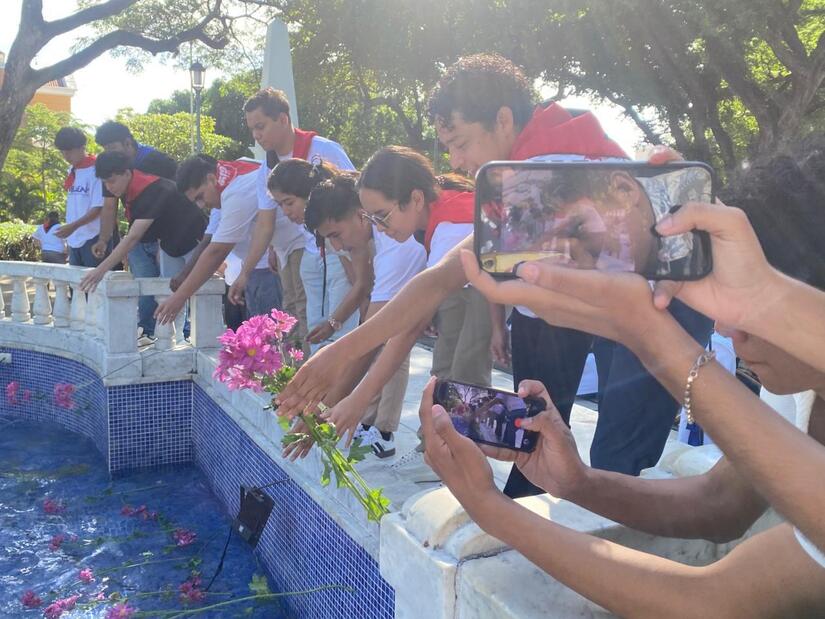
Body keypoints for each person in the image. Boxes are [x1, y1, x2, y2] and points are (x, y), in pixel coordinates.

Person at [276, 54, 711, 484]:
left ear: (503, 120)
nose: (457, 162)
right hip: (586, 309)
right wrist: (345, 369)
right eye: (449, 148)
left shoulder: (541, 174)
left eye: (462, 144)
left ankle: (586, 527)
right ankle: (527, 495)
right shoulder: (525, 169)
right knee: (532, 432)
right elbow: (440, 281)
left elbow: (432, 291)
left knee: (614, 459)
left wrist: (346, 364)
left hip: (659, 309)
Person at [455, 146, 825, 560]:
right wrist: (575, 481)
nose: (724, 327)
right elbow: (722, 502)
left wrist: (493, 512)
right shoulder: (798, 396)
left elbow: (724, 598)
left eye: (577, 229)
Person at [301, 167, 427, 457]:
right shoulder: (381, 239)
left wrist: (319, 414)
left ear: (360, 213)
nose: (337, 246)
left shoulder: (396, 245)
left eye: (336, 235)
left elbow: (365, 347)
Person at [228, 88, 355, 349]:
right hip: (310, 252)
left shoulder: (323, 149)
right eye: (252, 128)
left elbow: (356, 197)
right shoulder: (267, 165)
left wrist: (355, 252)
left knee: (343, 321)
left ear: (283, 119)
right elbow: (266, 223)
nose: (256, 135)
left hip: (341, 251)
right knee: (311, 320)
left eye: (261, 126)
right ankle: (313, 380)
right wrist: (248, 269)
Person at [80, 152, 206, 343]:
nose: (109, 187)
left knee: (203, 292)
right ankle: (177, 341)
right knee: (170, 291)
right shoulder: (132, 192)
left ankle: (202, 341)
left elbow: (133, 238)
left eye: (112, 181)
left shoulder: (152, 188)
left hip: (196, 242)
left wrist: (100, 271)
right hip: (169, 246)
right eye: (105, 183)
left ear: (127, 173)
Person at [154, 155, 283, 326]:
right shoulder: (225, 185)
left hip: (271, 269)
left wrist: (179, 298)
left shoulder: (236, 191)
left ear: (211, 179)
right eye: (196, 201)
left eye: (200, 196)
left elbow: (217, 251)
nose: (201, 205)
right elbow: (210, 240)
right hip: (258, 268)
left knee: (272, 338)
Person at [267, 160, 368, 353]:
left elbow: (359, 284)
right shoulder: (321, 235)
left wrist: (333, 323)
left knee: (340, 336)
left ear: (310, 194)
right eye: (280, 205)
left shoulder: (342, 234)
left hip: (335, 268)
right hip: (313, 257)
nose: (286, 212)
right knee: (314, 326)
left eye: (289, 202)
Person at [91, 121, 178, 342]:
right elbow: (110, 206)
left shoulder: (155, 161)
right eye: (104, 150)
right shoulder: (110, 167)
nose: (107, 154)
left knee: (170, 287)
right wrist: (103, 239)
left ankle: (175, 335)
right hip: (137, 237)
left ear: (128, 142)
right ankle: (146, 333)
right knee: (144, 288)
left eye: (111, 147)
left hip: (166, 237)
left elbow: (178, 199)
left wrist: (166, 242)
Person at [53, 127, 106, 267]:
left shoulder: (96, 170)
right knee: (76, 286)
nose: (66, 156)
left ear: (82, 147)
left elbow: (98, 207)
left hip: (94, 237)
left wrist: (73, 226)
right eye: (62, 151)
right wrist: (71, 229)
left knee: (94, 285)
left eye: (69, 151)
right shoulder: (72, 170)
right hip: (73, 239)